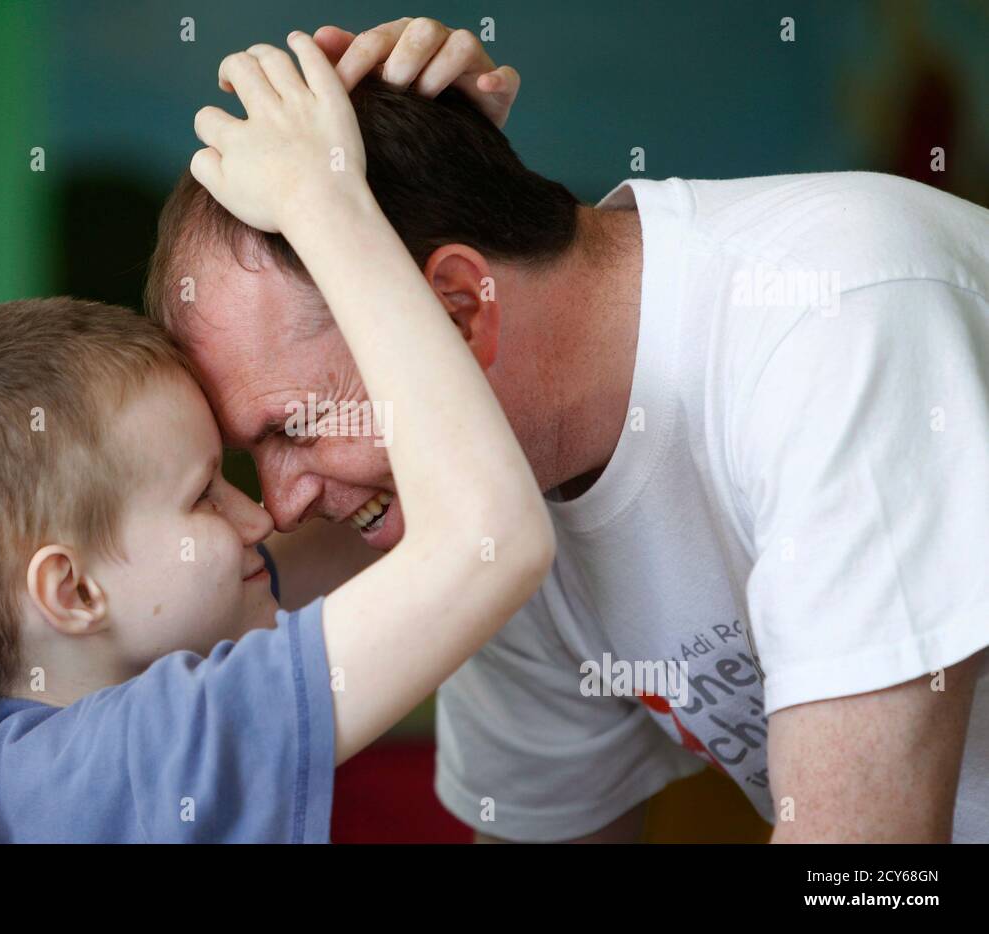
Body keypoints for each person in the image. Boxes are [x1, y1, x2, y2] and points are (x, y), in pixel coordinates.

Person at [147, 19, 989, 842]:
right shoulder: (490, 501)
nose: (283, 507)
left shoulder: (834, 320)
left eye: (297, 425)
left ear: (461, 310)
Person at [0, 31, 554, 842]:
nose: (264, 519)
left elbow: (371, 541)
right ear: (74, 593)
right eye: (204, 495)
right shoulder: (148, 749)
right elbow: (487, 540)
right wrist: (323, 203)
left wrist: (436, 177)